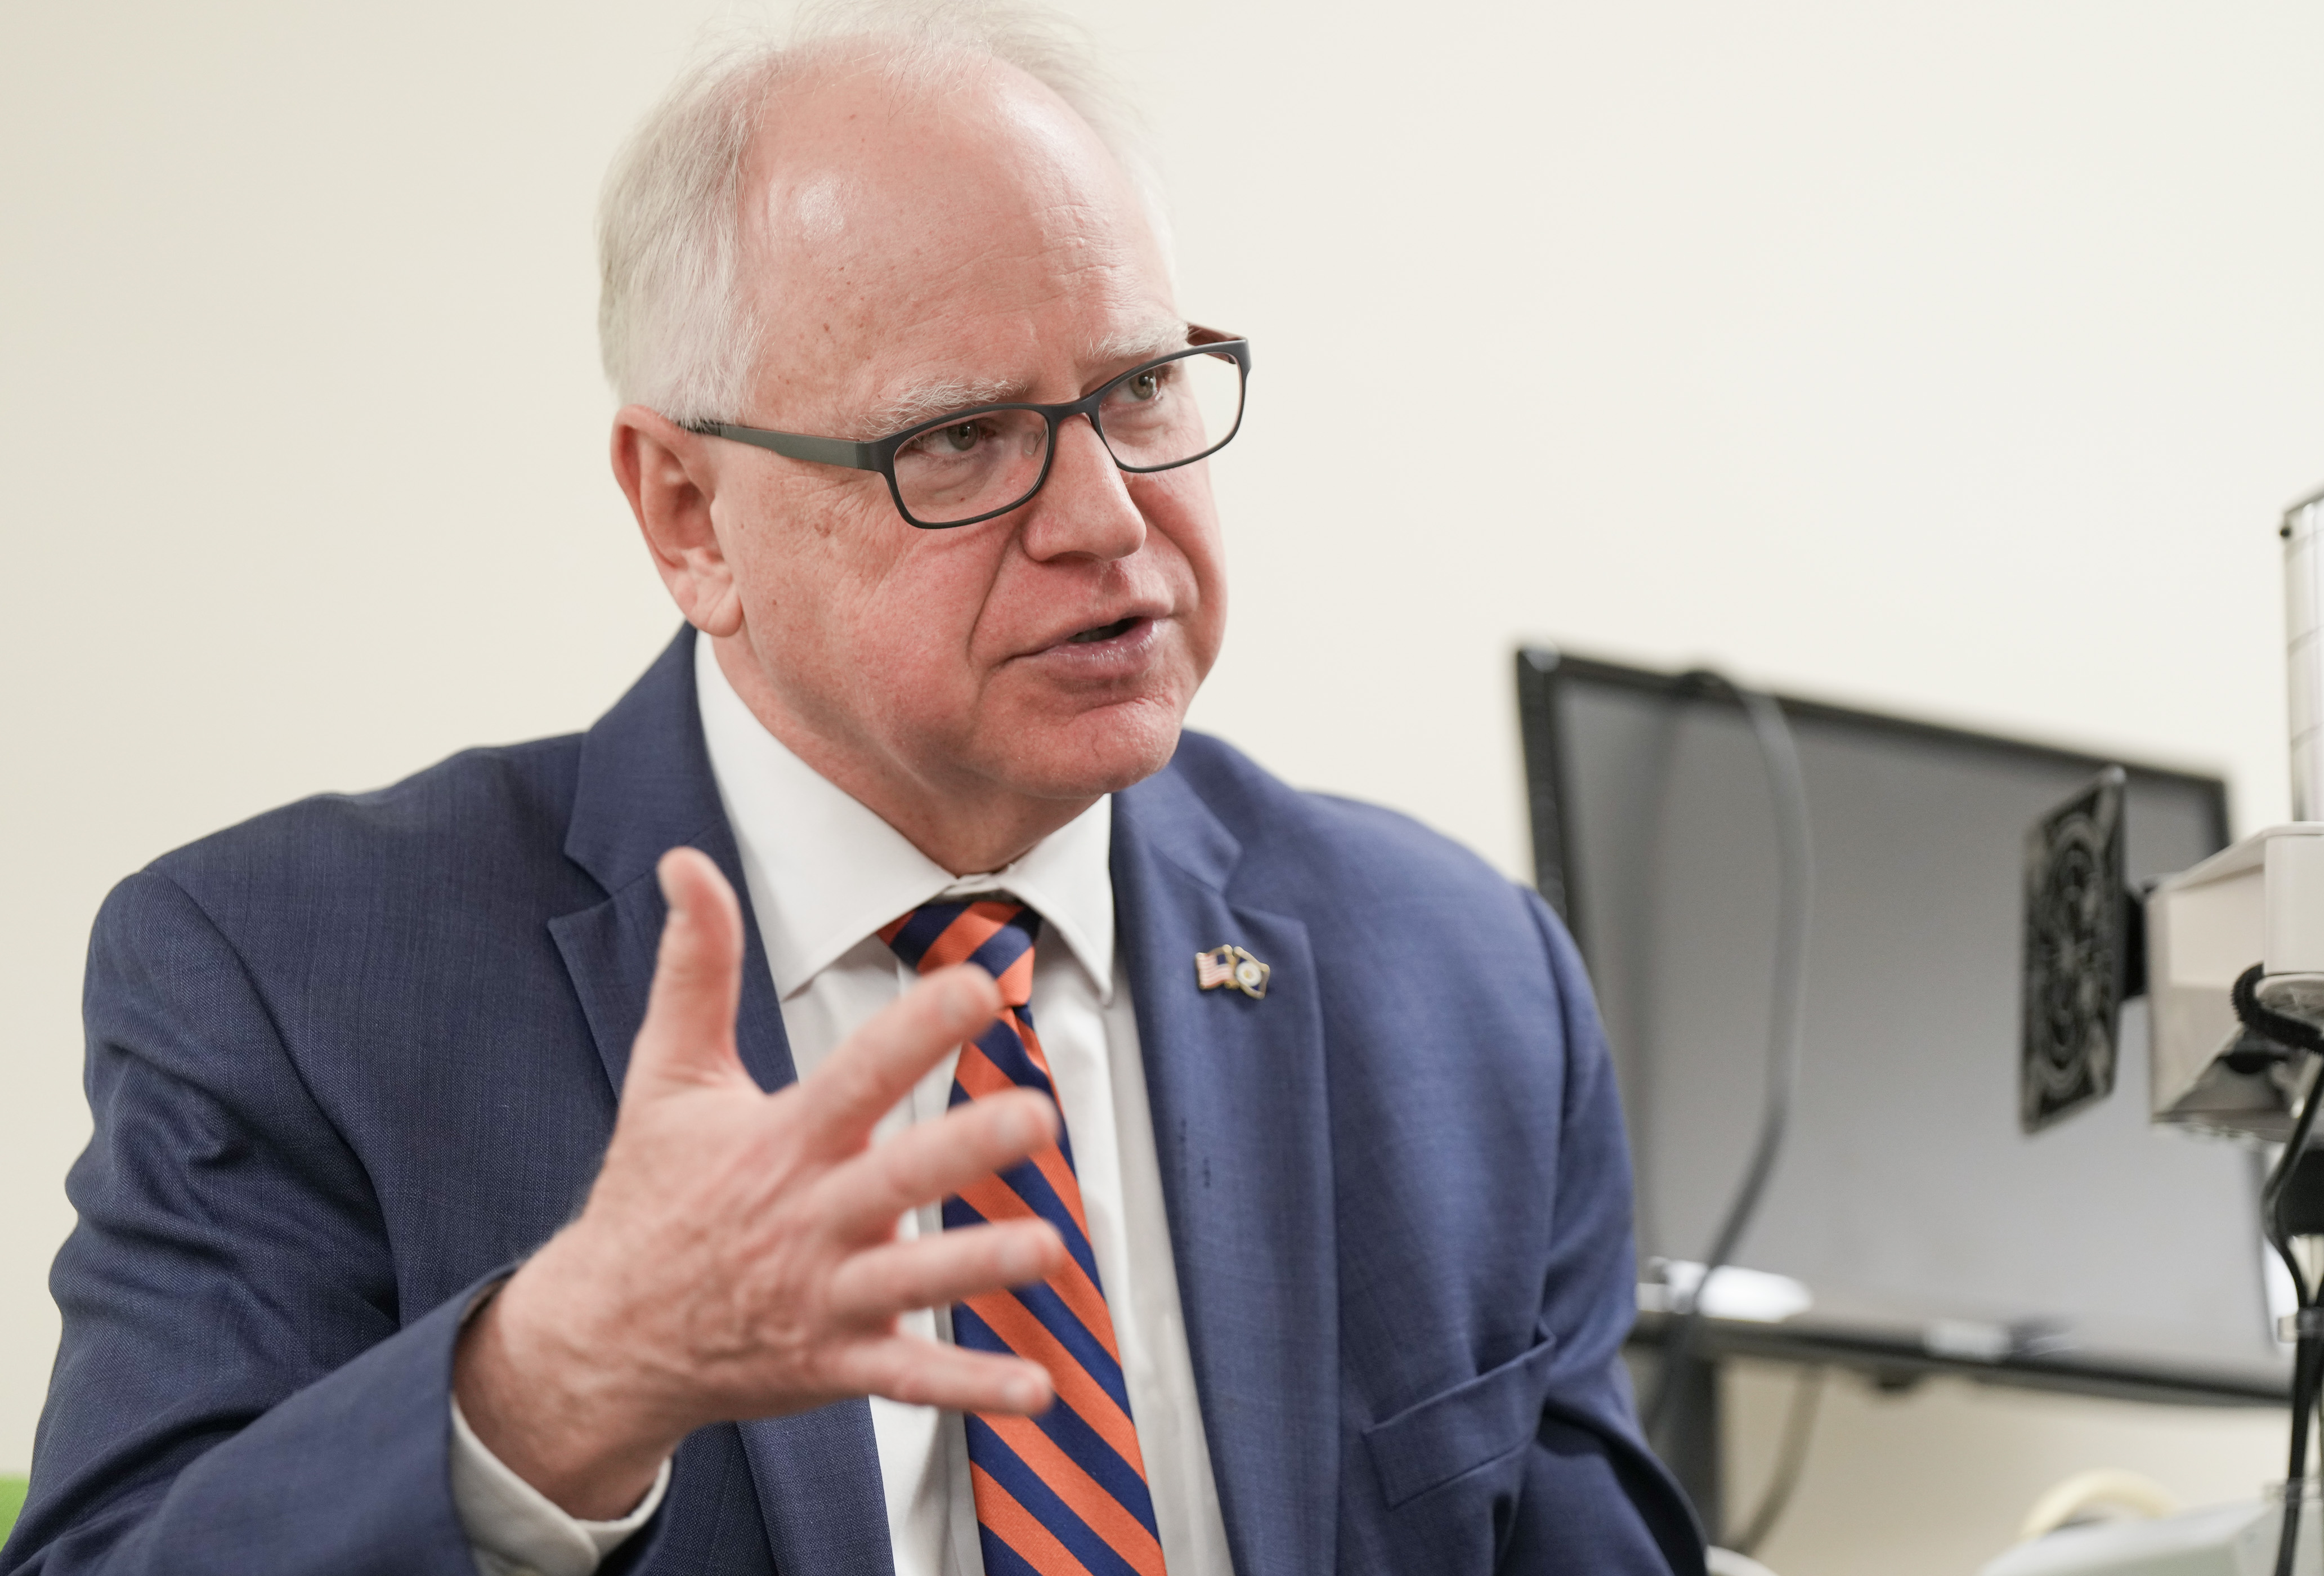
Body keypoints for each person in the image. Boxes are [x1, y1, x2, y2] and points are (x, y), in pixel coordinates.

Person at [2, 5, 1704, 1574]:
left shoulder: (1467, 984)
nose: (1108, 518)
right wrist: (552, 1388)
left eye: (1140, 387)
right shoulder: (295, 977)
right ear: (687, 514)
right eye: (958, 437)